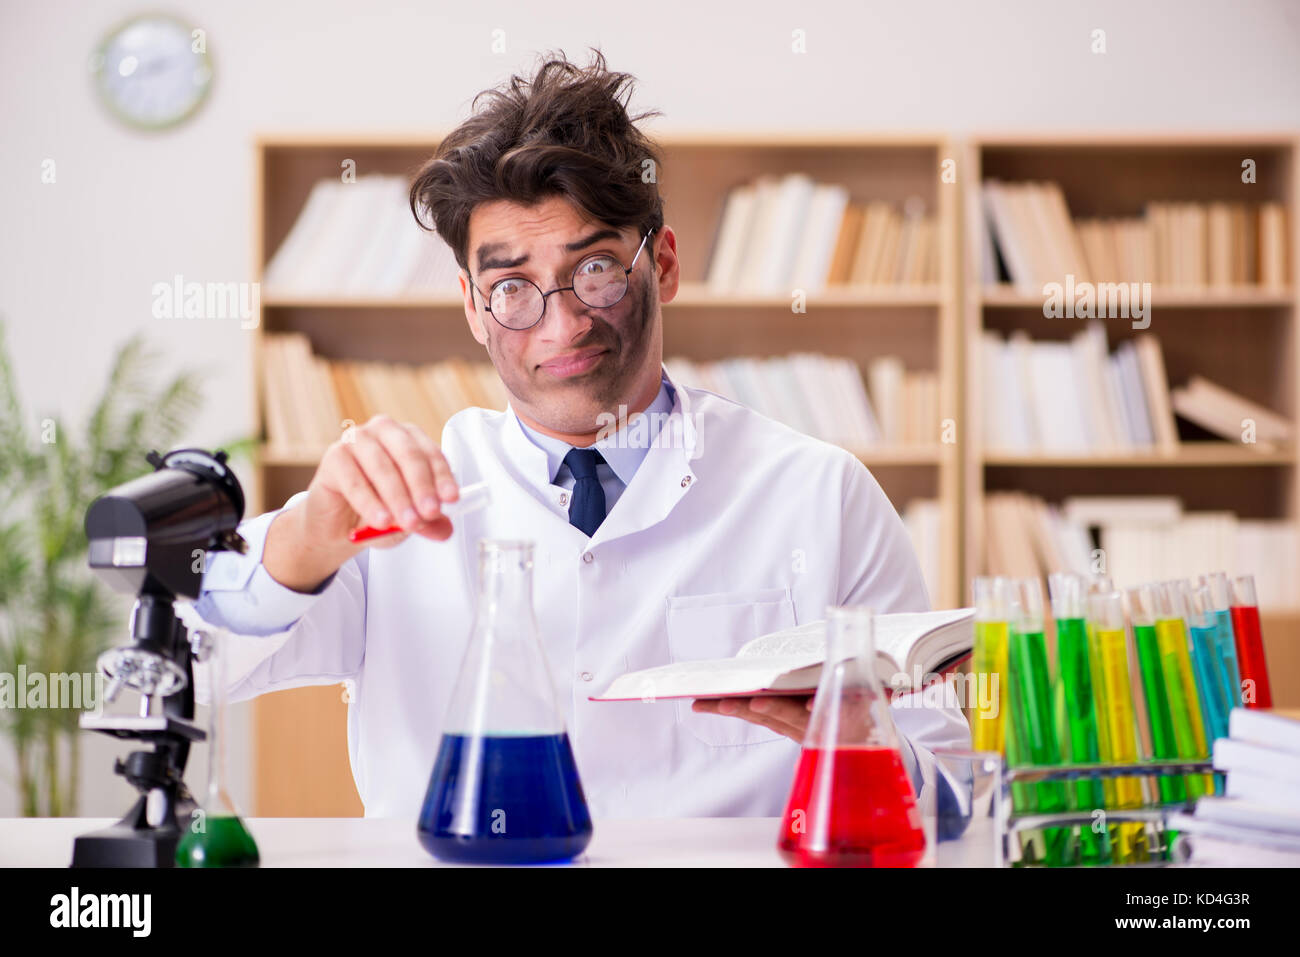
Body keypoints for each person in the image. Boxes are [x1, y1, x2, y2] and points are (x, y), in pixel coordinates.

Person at [192, 48, 971, 818]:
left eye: (595, 269)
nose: (561, 323)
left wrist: (863, 747)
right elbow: (188, 668)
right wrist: (304, 541)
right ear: (471, 304)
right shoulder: (390, 508)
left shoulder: (820, 494)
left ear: (661, 264)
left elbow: (955, 797)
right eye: (511, 287)